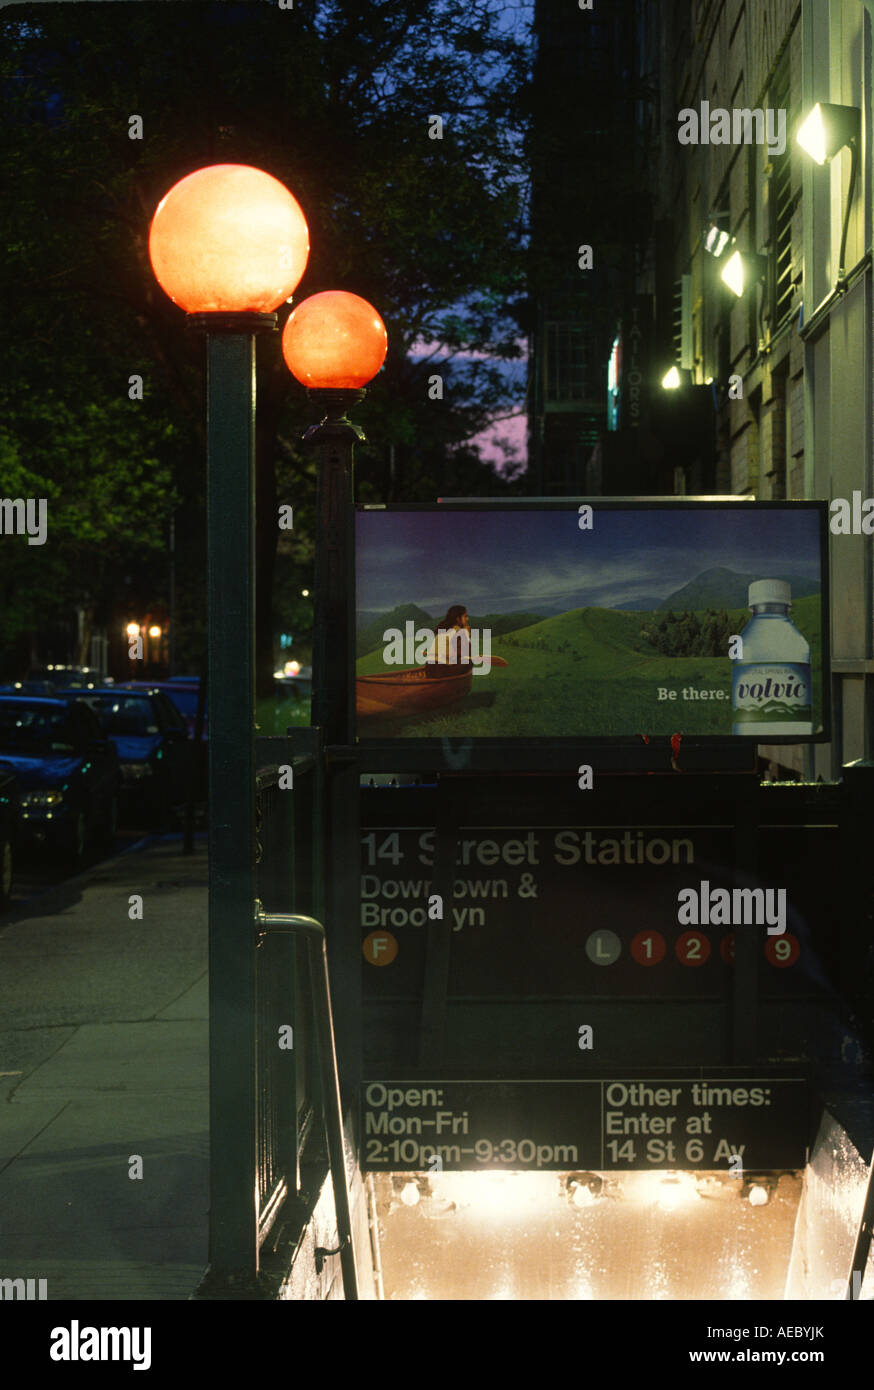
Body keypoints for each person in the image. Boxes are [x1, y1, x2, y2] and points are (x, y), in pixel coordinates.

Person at [424, 605, 472, 677]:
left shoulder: (442, 630)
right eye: (465, 616)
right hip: (441, 670)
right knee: (468, 662)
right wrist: (467, 635)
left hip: (428, 669)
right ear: (458, 619)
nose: (467, 619)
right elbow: (467, 653)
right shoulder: (458, 632)